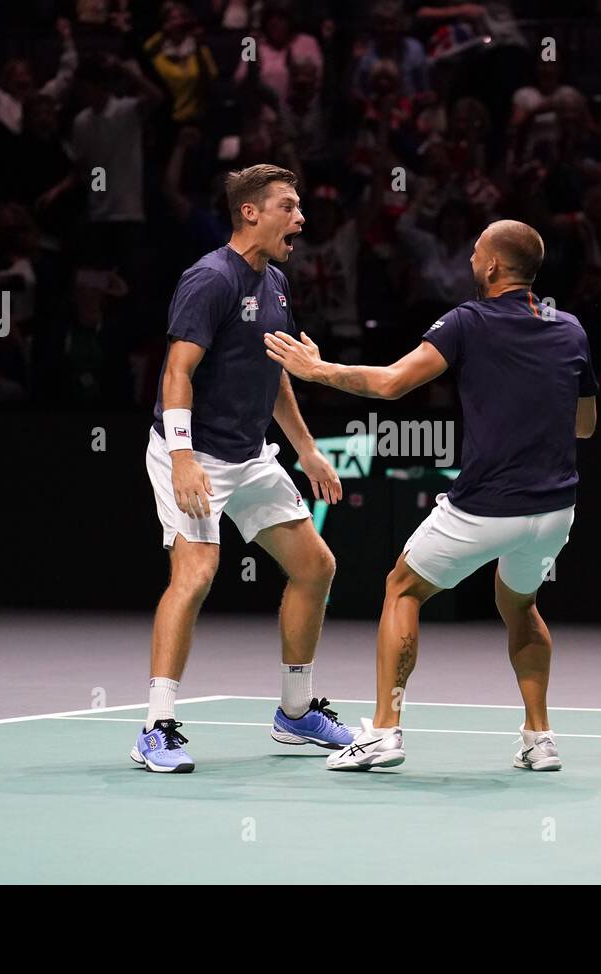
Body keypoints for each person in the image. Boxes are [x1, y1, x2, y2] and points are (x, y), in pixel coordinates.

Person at [264, 220, 598, 772]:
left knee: (402, 588)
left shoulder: (468, 321)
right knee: (520, 605)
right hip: (554, 511)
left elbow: (392, 383)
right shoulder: (571, 328)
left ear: (492, 267)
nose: (470, 258)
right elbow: (584, 426)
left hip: (485, 507)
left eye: (475, 250)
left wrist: (317, 370)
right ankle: (539, 739)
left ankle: (385, 732)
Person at [135, 164, 351, 773]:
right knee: (197, 571)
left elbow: (274, 370)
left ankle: (296, 711)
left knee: (315, 566)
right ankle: (156, 725)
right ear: (250, 212)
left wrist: (306, 448)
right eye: (289, 206)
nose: (301, 218)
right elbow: (176, 372)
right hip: (192, 450)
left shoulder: (276, 282)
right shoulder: (209, 279)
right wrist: (180, 457)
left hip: (249, 453)